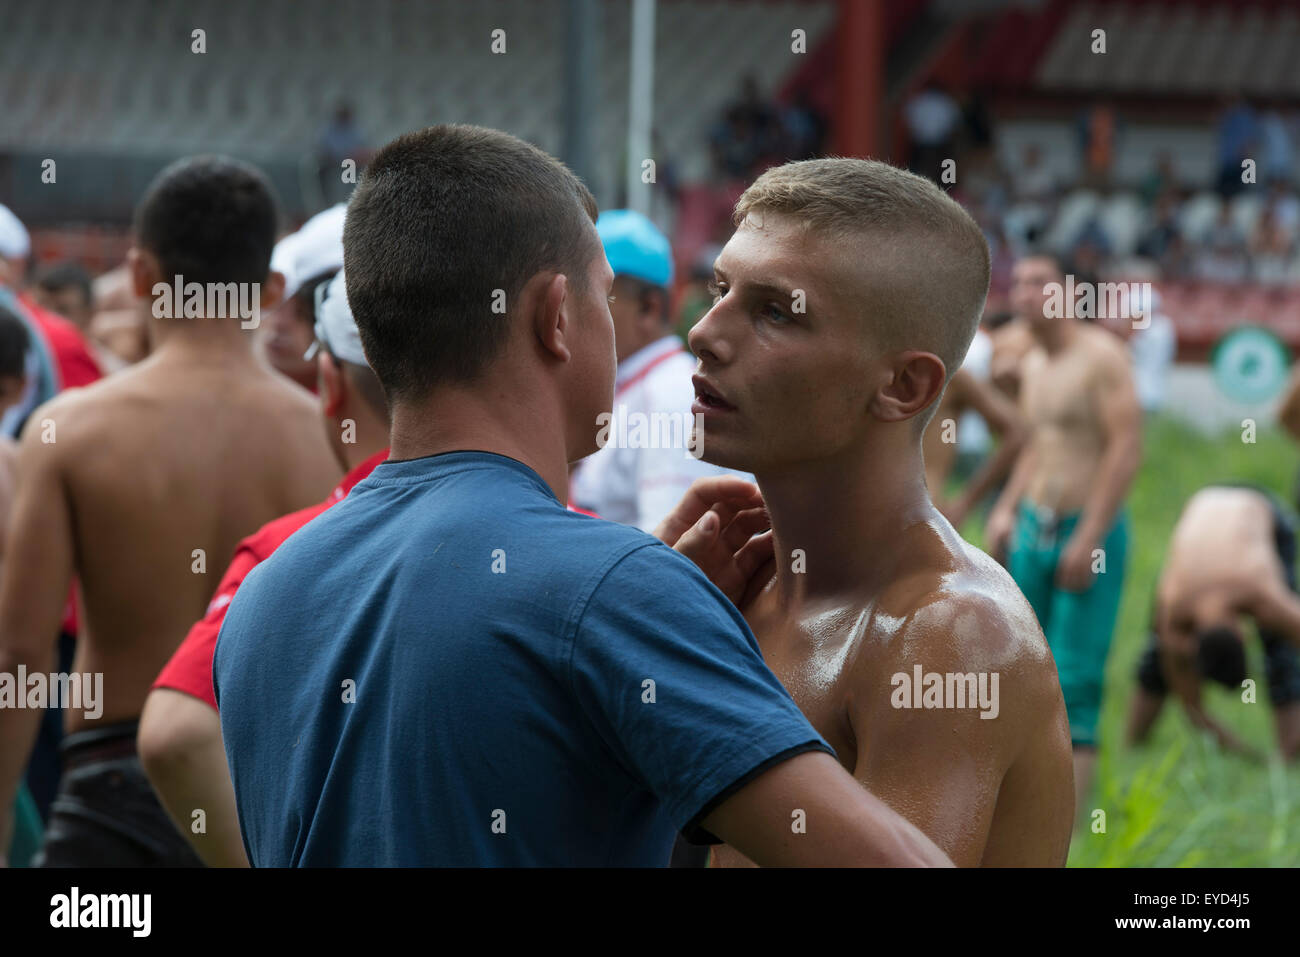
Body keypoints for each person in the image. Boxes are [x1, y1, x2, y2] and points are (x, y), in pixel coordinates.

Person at [215, 124, 950, 867]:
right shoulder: (614, 594)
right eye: (603, 293)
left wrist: (639, 620)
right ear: (556, 315)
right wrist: (638, 611)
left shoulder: (265, 595)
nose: (700, 333)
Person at [684, 157, 1073, 867]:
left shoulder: (950, 634)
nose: (704, 334)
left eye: (774, 311)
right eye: (719, 289)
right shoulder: (734, 588)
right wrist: (646, 621)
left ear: (902, 384)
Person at [0, 156, 342, 866]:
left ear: (142, 276)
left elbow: (21, 655)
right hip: (263, 793)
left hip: (109, 791)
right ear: (271, 288)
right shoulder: (327, 439)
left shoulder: (71, 433)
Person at [986, 251, 1142, 818]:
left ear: (1072, 295)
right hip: (1033, 523)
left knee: (1075, 677)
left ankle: (1074, 829)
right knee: (1022, 664)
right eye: (1021, 282)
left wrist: (1092, 535)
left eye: (1040, 283)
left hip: (1086, 529)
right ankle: (1024, 812)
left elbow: (1125, 450)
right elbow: (1034, 444)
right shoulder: (1032, 359)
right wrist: (1005, 509)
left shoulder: (1103, 357)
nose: (1025, 292)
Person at [570, 209, 747, 531]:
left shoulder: (673, 396)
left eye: (594, 297)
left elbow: (670, 552)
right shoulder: (638, 386)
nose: (571, 314)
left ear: (648, 308)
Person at [1127, 486, 1300, 761]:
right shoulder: (1171, 612)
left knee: (1280, 650)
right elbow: (1193, 708)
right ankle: (1133, 746)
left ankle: (1291, 751)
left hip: (1248, 505)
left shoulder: (1262, 594)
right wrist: (1252, 757)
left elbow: (1192, 708)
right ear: (1243, 633)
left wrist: (1248, 755)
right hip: (1202, 510)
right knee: (1158, 655)